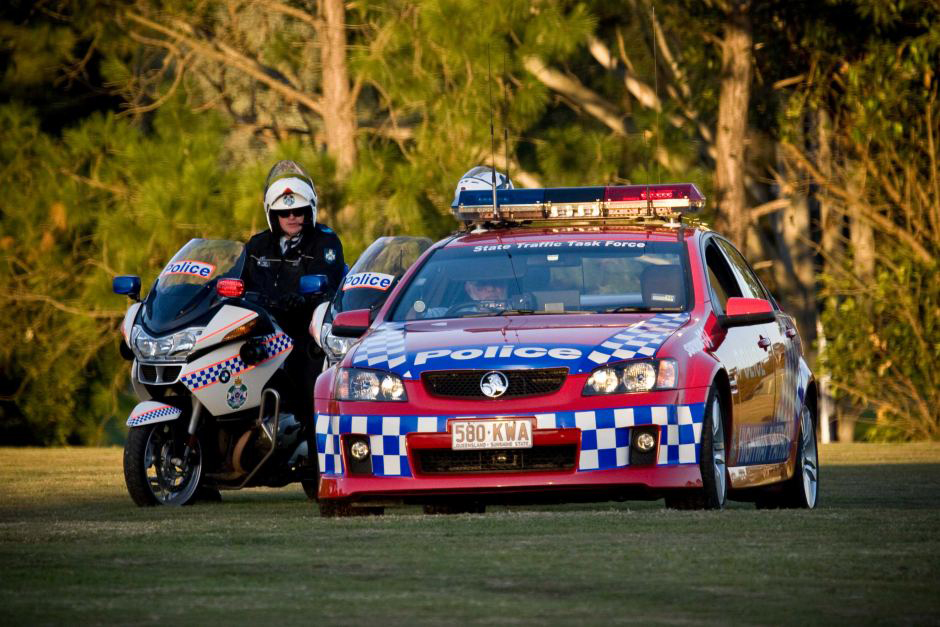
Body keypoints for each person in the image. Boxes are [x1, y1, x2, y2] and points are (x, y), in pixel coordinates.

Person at [244, 160, 344, 479]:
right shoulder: (257, 245)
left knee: (310, 385)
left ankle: (320, 471)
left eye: (299, 211)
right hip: (262, 332)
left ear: (310, 211)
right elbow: (237, 279)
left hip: (303, 334)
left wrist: (304, 298)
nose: (292, 218)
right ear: (272, 215)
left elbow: (328, 281)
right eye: (285, 213)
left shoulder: (325, 242)